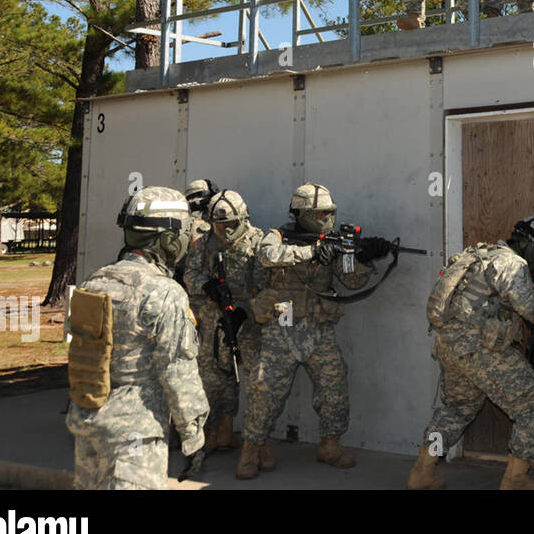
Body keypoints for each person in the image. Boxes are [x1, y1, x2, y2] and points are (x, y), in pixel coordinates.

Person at [237, 183, 393, 478]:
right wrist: (314, 250)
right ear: (300, 214)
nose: (325, 218)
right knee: (265, 388)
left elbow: (352, 282)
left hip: (319, 328)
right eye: (319, 213)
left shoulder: (334, 241)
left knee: (334, 387)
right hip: (283, 321)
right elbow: (268, 256)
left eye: (329, 212)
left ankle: (330, 445)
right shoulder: (278, 235)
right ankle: (252, 448)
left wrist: (362, 258)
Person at [66, 187, 208, 489]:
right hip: (135, 436)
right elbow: (177, 372)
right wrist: (193, 435)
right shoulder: (164, 292)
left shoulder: (96, 280)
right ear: (169, 239)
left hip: (89, 425)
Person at [408, 216, 534, 490]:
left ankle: (422, 471)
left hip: (449, 346)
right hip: (479, 349)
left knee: (458, 407)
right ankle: (516, 479)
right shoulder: (512, 263)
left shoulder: (477, 254)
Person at [182, 189, 265, 456]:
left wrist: (246, 310)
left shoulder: (258, 241)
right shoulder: (202, 243)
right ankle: (218, 432)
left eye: (232, 224)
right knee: (212, 380)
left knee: (255, 383)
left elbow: (267, 285)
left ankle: (257, 444)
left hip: (247, 323)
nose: (227, 229)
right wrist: (208, 287)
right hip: (211, 322)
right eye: (221, 225)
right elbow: (190, 275)